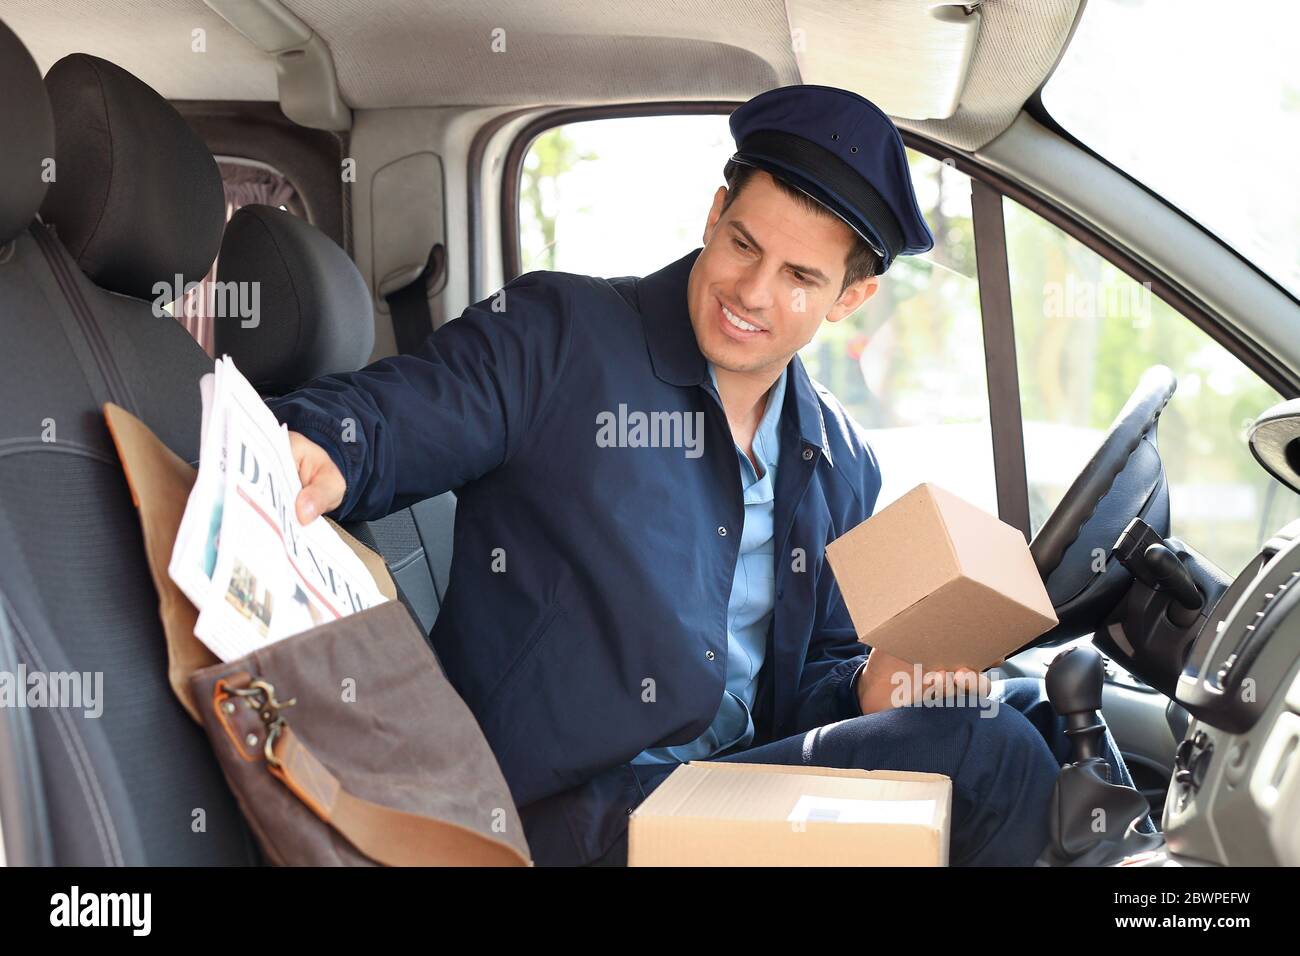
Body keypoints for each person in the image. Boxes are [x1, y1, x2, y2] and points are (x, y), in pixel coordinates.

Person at [268, 85, 1143, 866]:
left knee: (1024, 709)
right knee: (987, 752)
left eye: (799, 276)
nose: (752, 292)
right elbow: (389, 417)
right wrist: (326, 452)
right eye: (742, 243)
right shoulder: (562, 334)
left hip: (727, 798)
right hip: (557, 818)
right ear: (715, 210)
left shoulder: (840, 460)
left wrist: (877, 686)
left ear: (848, 298)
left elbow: (814, 683)